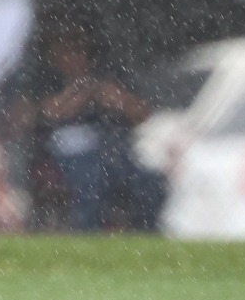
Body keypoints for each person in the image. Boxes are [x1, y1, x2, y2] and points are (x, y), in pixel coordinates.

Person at [15, 28, 166, 233]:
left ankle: (148, 236)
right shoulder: (44, 80)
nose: (75, 56)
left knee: (149, 182)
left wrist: (117, 99)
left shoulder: (108, 75)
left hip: (114, 146)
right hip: (67, 151)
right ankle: (87, 238)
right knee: (90, 184)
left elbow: (143, 115)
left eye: (79, 49)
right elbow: (37, 115)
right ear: (53, 55)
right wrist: (73, 98)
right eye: (66, 50)